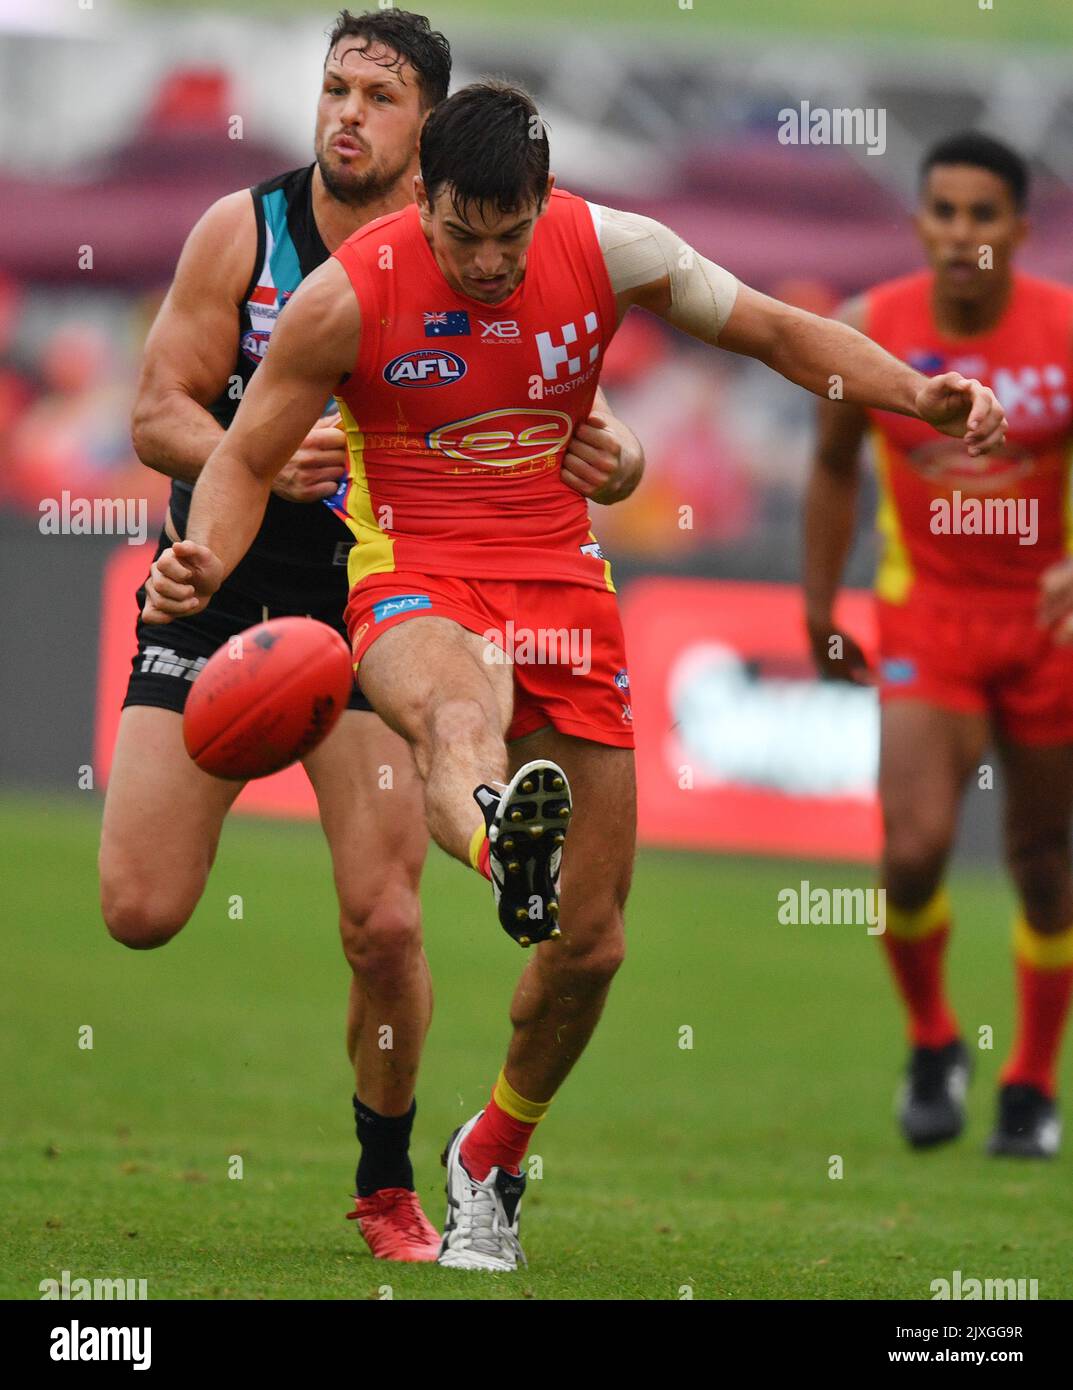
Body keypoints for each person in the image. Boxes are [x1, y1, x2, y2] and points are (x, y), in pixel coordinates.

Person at [141, 83, 1005, 1269]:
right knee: (458, 709)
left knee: (591, 945)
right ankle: (503, 840)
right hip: (414, 575)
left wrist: (918, 390)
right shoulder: (345, 296)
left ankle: (490, 1151)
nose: (488, 260)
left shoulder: (612, 247)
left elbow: (771, 330)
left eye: (511, 232)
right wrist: (201, 559)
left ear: (542, 202)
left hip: (565, 583)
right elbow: (240, 457)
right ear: (425, 199)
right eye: (463, 232)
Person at [100, 10, 644, 1264]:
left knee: (384, 922)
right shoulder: (243, 231)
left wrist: (619, 452)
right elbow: (155, 408)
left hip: (378, 599)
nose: (344, 113)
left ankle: (389, 1186)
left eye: (376, 97)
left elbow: (556, 400)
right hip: (226, 587)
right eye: (333, 88)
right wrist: (246, 459)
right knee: (137, 905)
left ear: (431, 135)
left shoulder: (474, 246)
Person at [804, 132, 1073, 1158]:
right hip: (925, 620)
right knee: (911, 851)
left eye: (982, 214)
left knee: (1042, 866)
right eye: (943, 212)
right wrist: (816, 605)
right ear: (919, 222)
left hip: (1044, 629)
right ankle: (930, 1041)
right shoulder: (871, 327)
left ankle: (1028, 1085)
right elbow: (831, 467)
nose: (961, 233)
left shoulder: (1062, 332)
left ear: (1017, 226)